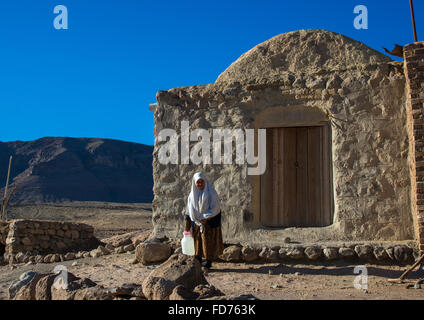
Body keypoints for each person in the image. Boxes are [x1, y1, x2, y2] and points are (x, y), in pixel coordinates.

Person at [185, 172, 223, 269]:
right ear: (194, 183)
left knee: (207, 241)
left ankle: (208, 261)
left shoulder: (211, 193)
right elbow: (189, 210)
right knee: (197, 241)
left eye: (202, 182)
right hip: (196, 222)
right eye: (198, 182)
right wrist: (187, 226)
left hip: (208, 223)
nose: (200, 184)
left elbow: (215, 208)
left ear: (205, 182)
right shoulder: (192, 195)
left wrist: (206, 217)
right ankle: (198, 259)